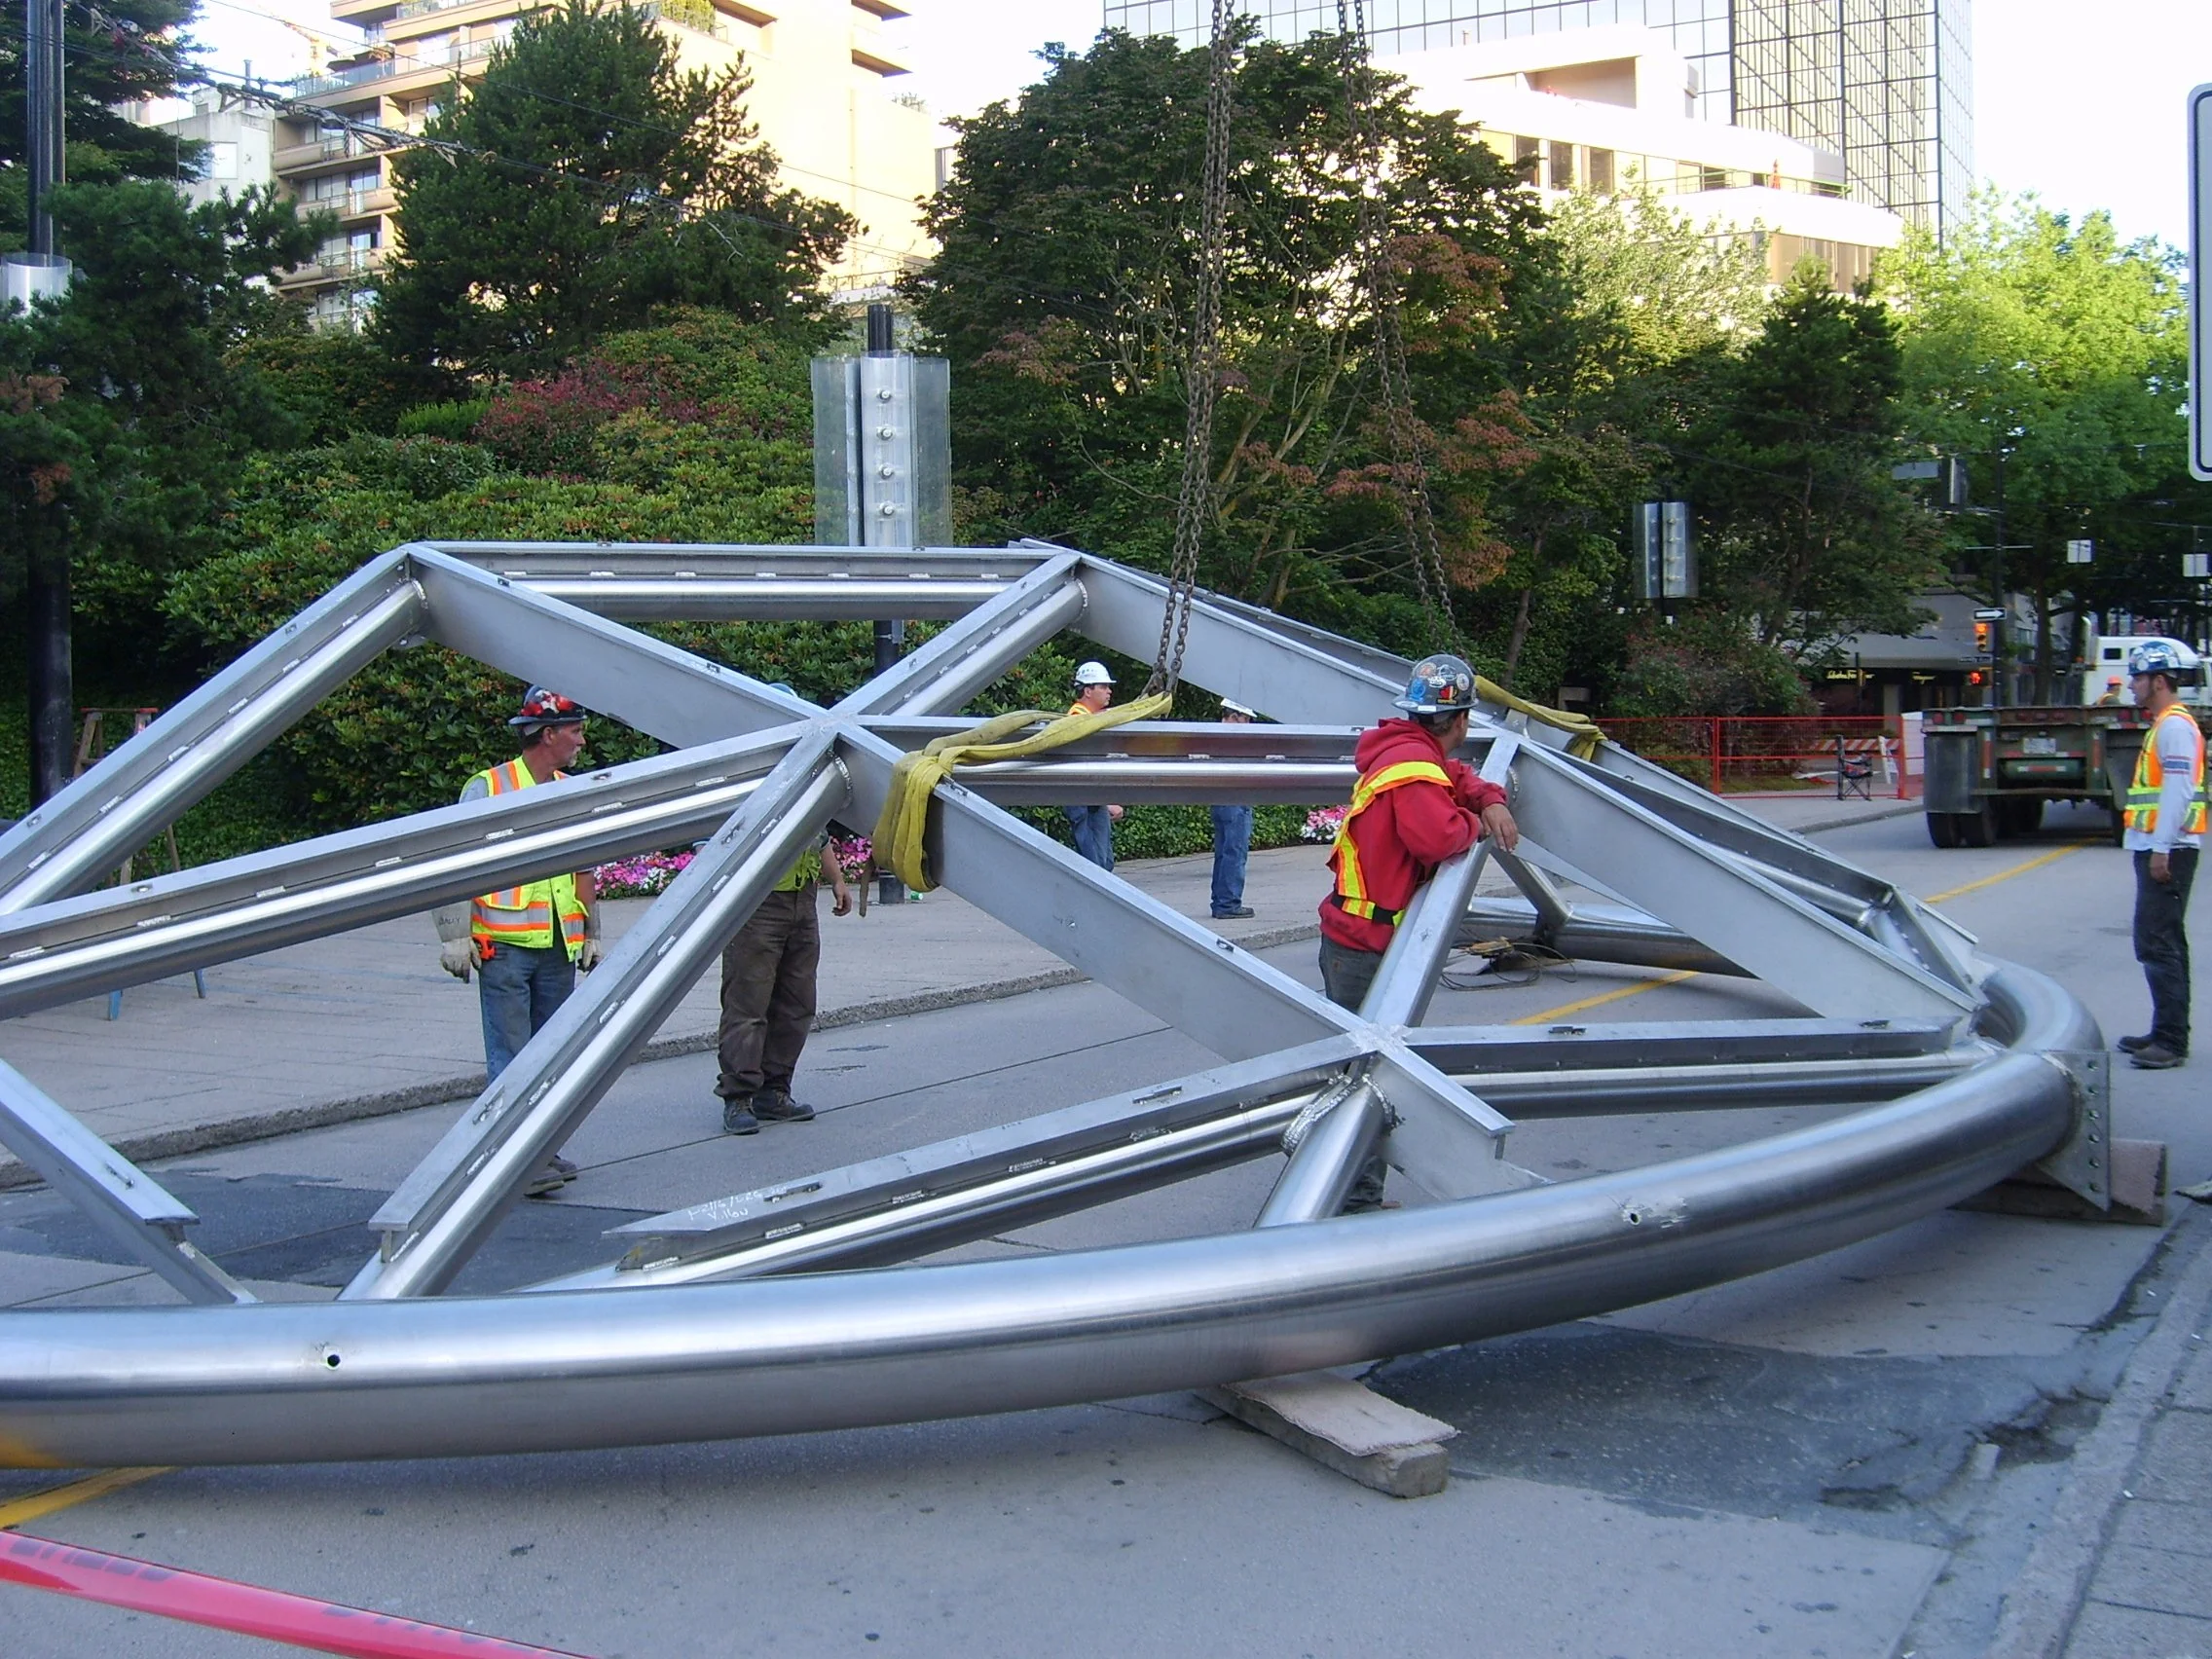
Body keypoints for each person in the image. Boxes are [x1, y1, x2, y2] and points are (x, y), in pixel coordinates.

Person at [1318, 653, 1520, 1207]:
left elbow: (1452, 777)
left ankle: (1350, 1193)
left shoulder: (1405, 752)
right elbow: (1437, 836)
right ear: (1460, 721)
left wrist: (1488, 795)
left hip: (1355, 934)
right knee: (1366, 1075)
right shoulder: (1413, 770)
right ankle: (1353, 1204)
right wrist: (1478, 821)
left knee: (1361, 1067)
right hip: (1364, 943)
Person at [433, 687, 604, 1197]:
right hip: (503, 946)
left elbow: (585, 862)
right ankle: (511, 1160)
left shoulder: (567, 788)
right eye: (573, 730)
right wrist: (454, 934)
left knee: (550, 1057)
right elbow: (453, 863)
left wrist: (592, 932)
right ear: (547, 734)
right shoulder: (487, 789)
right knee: (511, 1057)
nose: (580, 739)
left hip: (556, 945)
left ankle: (538, 1151)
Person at [716, 822, 855, 1134]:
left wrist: (837, 879)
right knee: (748, 1003)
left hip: (802, 900)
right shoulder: (759, 787)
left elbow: (818, 836)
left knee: (797, 1001)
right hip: (758, 900)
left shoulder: (802, 782)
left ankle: (774, 1091)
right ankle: (738, 1096)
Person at [2117, 640, 2205, 1071]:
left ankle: (2170, 1040)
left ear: (2160, 681)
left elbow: (2178, 792)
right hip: (2161, 846)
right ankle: (2165, 1030)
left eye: (2138, 677)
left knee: (2157, 941)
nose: (2131, 685)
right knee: (2162, 940)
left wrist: (2161, 849)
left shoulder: (2174, 727)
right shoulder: (2166, 725)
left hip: (2168, 850)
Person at [1064, 660, 1124, 869]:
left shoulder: (1088, 718)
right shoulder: (1078, 719)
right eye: (1103, 686)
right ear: (1088, 691)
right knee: (1096, 867)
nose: (1109, 691)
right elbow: (1086, 765)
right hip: (1084, 799)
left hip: (1090, 798)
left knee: (1104, 864)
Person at [1210, 698, 1259, 919]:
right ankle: (1228, 904)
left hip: (1220, 799)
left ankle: (1221, 902)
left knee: (1224, 852)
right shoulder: (1234, 739)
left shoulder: (1215, 736)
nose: (1248, 725)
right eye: (1246, 719)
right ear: (1233, 717)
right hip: (1235, 799)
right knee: (1235, 852)